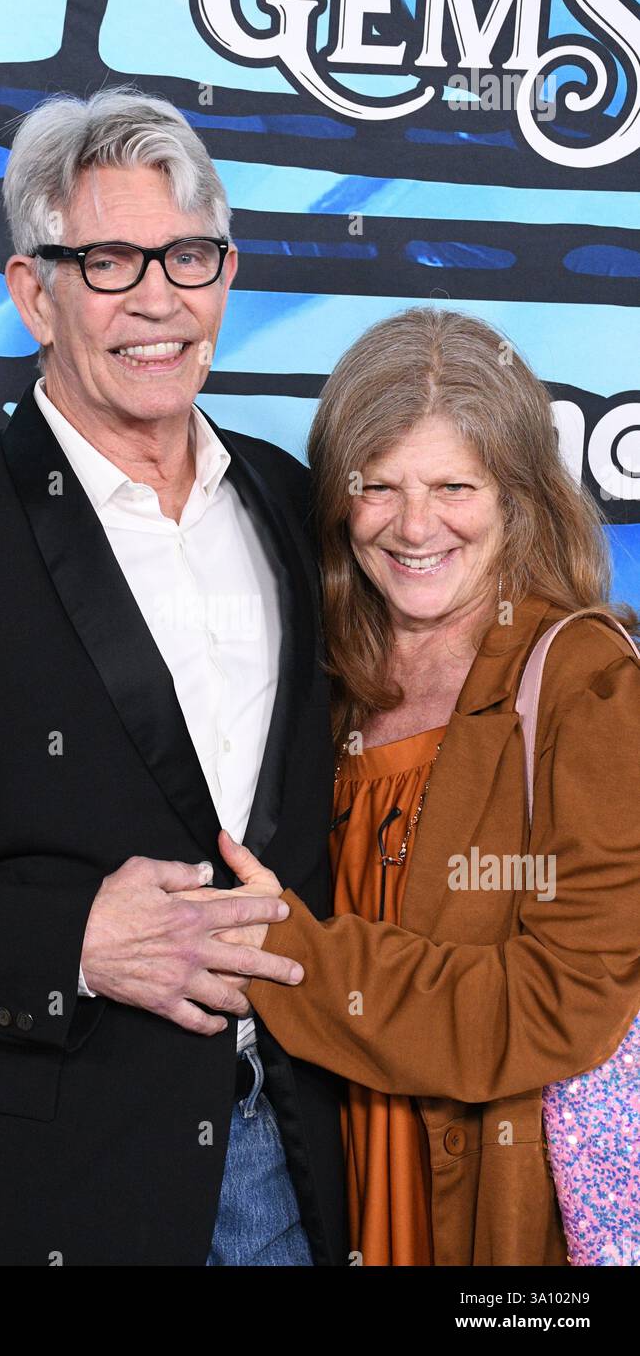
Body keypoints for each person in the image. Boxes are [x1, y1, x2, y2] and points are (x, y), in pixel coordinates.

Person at [0, 86, 347, 1266]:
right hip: (27, 1186)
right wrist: (72, 936)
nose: (157, 298)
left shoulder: (295, 504)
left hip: (283, 1168)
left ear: (225, 279)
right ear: (34, 293)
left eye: (188, 256)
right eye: (107, 260)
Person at [199, 306, 640, 1266]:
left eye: (454, 485)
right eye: (380, 486)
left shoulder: (589, 683)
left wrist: (286, 958)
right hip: (307, 1186)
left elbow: (562, 1004)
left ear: (519, 495)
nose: (414, 525)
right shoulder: (308, 670)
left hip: (491, 1207)